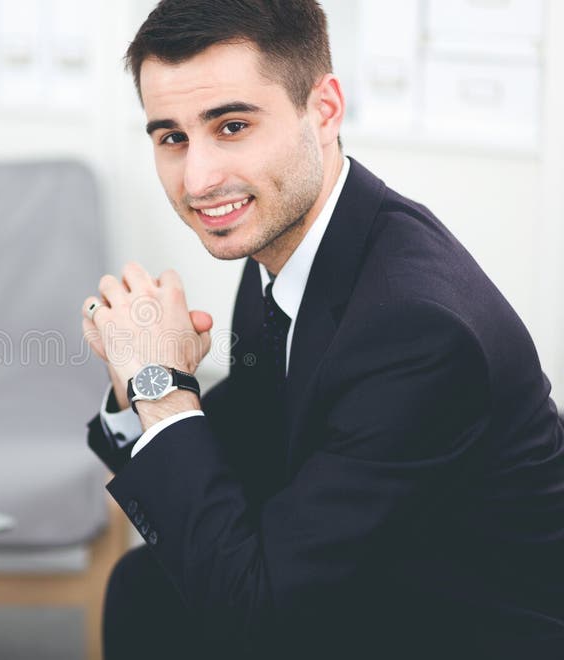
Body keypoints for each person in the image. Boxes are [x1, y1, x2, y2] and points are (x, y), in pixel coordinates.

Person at [79, 1, 564, 658]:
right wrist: (140, 380)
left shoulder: (417, 332)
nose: (198, 179)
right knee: (143, 587)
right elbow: (250, 442)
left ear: (325, 109)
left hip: (459, 628)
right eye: (171, 137)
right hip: (375, 570)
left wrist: (158, 384)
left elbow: (259, 617)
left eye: (232, 126)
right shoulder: (290, 240)